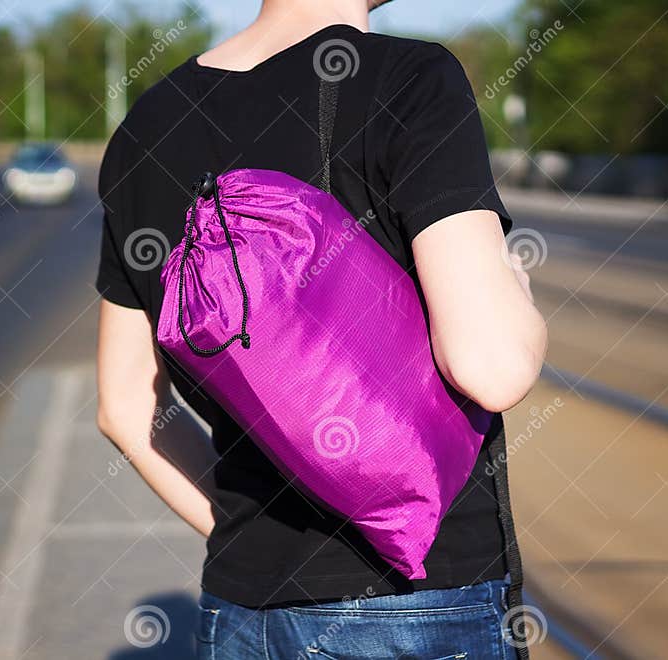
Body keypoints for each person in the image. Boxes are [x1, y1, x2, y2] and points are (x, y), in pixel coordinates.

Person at [94, 0, 548, 657]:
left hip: (241, 611)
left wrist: (241, 534)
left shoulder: (146, 127)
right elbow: (492, 365)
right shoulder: (412, 77)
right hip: (415, 603)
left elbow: (125, 406)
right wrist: (521, 293)